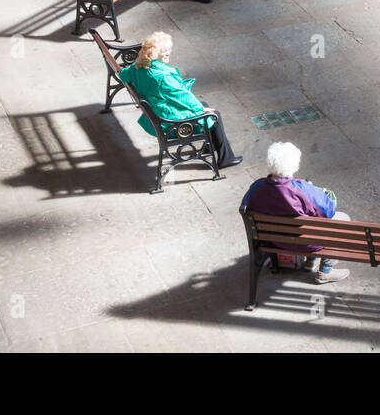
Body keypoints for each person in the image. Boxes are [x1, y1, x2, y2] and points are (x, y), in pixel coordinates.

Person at [118, 31, 242, 169]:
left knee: (205, 106)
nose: (168, 53)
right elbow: (181, 96)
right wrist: (200, 109)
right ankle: (226, 159)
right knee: (214, 115)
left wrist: (201, 107)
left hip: (158, 113)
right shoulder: (162, 76)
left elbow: (123, 74)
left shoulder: (139, 68)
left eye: (169, 49)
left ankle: (210, 146)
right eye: (164, 51)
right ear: (153, 53)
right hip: (170, 122)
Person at [242, 141, 351, 284]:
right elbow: (329, 211)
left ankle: (310, 262)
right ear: (295, 165)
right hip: (308, 242)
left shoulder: (257, 187)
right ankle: (325, 271)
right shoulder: (303, 189)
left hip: (276, 241)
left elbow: (246, 206)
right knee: (343, 219)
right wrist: (323, 194)